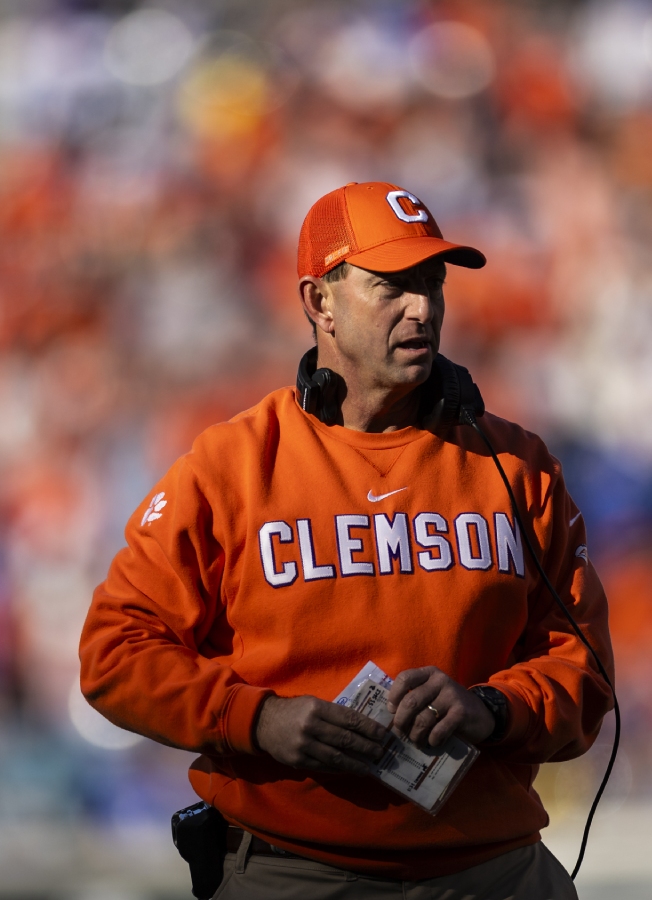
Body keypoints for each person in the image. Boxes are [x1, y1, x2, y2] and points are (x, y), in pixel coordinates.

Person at [78, 182, 614, 899]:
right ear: (319, 302)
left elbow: (585, 674)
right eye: (392, 286)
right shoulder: (231, 468)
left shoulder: (518, 466)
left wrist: (491, 708)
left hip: (493, 871)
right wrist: (257, 720)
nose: (422, 308)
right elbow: (114, 655)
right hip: (294, 873)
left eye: (432, 283)